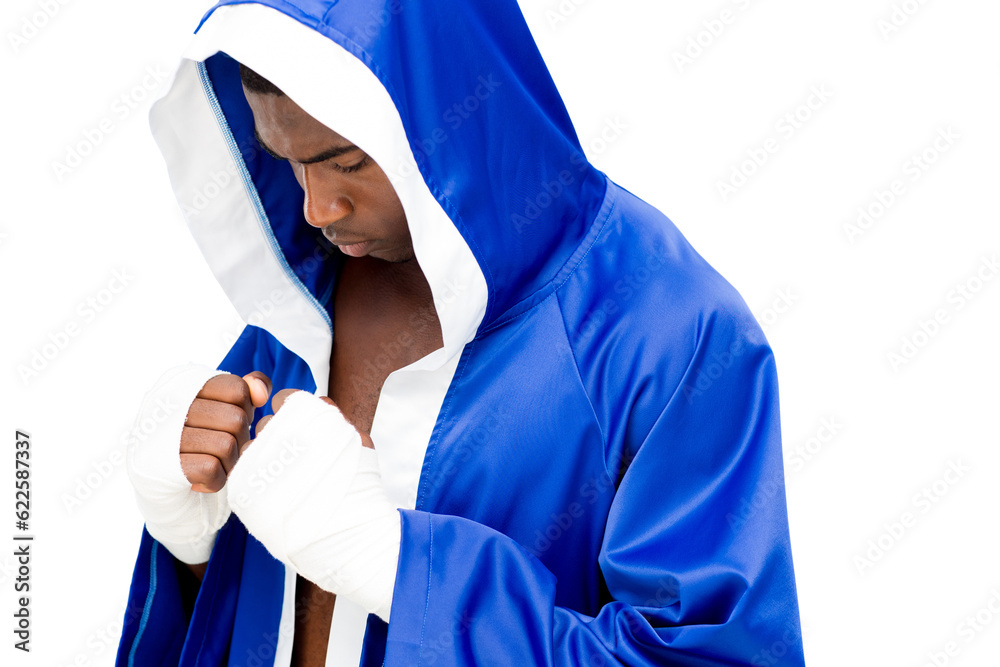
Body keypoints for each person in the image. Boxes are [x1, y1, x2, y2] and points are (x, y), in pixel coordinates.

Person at [117, 1, 806, 665]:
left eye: (346, 161)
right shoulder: (299, 305)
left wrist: (403, 567)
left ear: (452, 110)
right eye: (288, 159)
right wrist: (188, 542)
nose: (316, 207)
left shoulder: (671, 329)